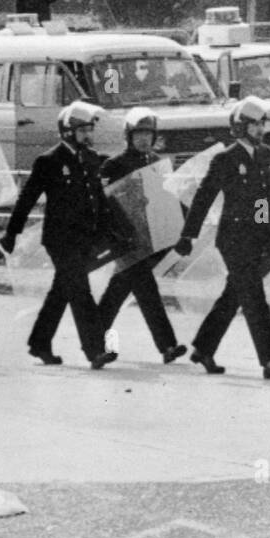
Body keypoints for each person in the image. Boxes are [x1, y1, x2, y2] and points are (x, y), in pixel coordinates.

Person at [173, 97, 270, 379]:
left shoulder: (264, 155)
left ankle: (204, 347)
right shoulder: (225, 159)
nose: (261, 129)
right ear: (240, 127)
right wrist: (188, 234)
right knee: (254, 297)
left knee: (234, 296)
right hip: (233, 239)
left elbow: (265, 197)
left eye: (262, 124)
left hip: (255, 237)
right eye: (254, 124)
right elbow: (204, 198)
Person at [0, 101, 118, 369]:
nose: (88, 135)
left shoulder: (89, 158)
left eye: (90, 130)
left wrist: (106, 230)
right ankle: (95, 350)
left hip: (84, 238)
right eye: (83, 130)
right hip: (60, 239)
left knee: (62, 291)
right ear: (67, 131)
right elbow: (27, 199)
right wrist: (11, 233)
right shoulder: (49, 161)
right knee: (80, 291)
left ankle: (40, 342)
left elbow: (97, 199)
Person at [96, 107, 187, 364]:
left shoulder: (157, 162)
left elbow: (168, 196)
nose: (144, 139)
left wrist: (185, 218)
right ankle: (167, 346)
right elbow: (105, 201)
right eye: (139, 134)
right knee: (147, 291)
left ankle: (92, 340)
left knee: (117, 292)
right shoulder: (114, 165)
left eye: (148, 133)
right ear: (129, 135)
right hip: (125, 239)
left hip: (148, 239)